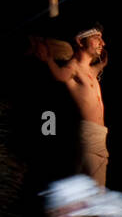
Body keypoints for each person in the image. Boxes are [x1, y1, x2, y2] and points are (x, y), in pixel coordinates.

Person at [35, 24, 108, 186]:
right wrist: (48, 59)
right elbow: (60, 76)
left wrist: (103, 63)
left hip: (99, 136)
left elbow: (100, 66)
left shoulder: (91, 70)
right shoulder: (74, 67)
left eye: (102, 39)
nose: (102, 43)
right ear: (80, 41)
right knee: (94, 192)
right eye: (97, 38)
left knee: (84, 192)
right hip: (89, 135)